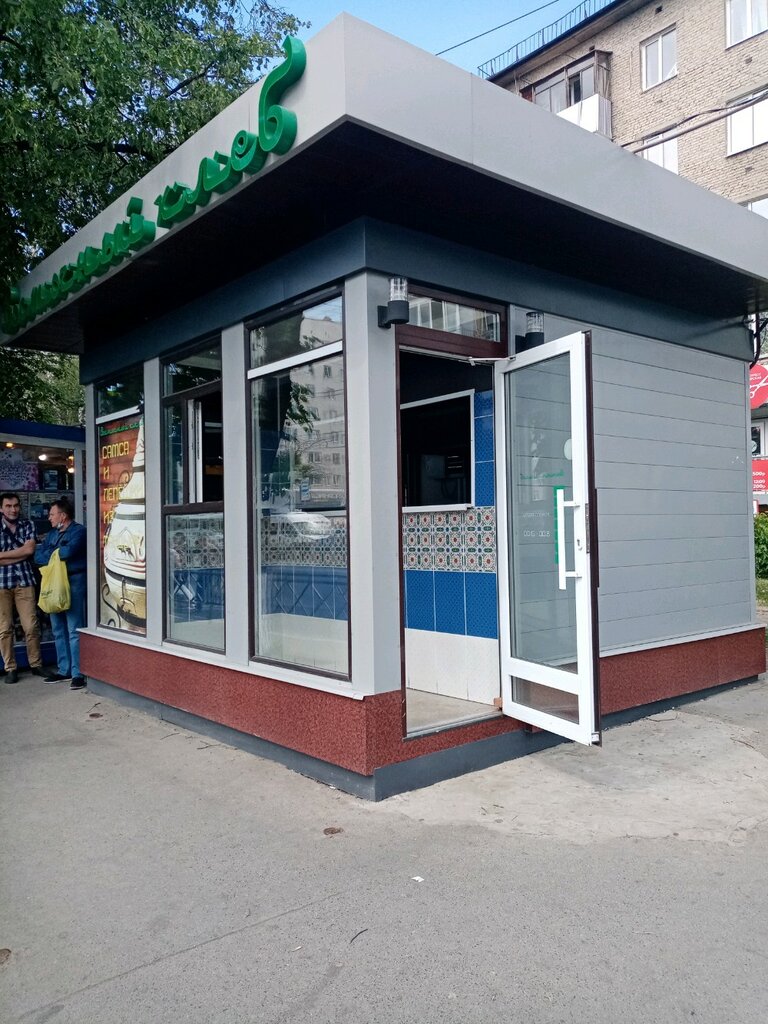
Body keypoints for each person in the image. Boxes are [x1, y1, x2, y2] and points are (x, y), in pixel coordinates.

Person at [34, 497, 87, 690]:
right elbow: (38, 556)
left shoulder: (79, 531)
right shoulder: (51, 534)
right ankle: (64, 670)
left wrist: (53, 552)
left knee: (73, 628)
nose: (49, 518)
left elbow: (68, 552)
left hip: (74, 581)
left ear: (63, 516)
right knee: (58, 628)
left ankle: (77, 673)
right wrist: (56, 552)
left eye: (52, 514)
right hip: (53, 583)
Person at [0, 492, 45, 684]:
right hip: (1, 583)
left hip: (24, 581)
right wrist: (21, 555)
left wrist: (3, 556)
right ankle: (10, 668)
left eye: (16, 505)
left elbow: (29, 550)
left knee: (31, 626)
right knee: (4, 628)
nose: (13, 509)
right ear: (1, 508)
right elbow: (24, 552)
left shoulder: (28, 525)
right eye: (8, 506)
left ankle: (36, 664)